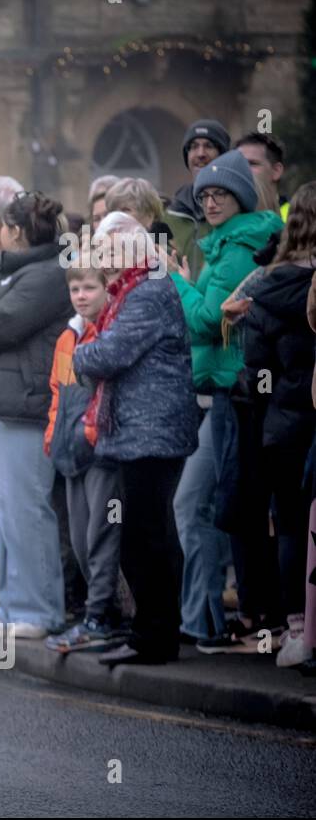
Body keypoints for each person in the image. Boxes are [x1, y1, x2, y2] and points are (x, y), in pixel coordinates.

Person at [73, 212, 198, 665]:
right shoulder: (136, 289)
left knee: (146, 537)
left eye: (108, 251)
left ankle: (155, 637)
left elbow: (111, 352)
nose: (102, 261)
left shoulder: (146, 292)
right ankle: (154, 632)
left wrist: (77, 351)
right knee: (150, 534)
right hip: (142, 431)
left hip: (154, 432)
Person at [171, 150, 284, 652]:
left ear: (240, 196)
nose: (211, 201)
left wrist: (173, 278)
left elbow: (206, 320)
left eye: (221, 193)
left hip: (232, 392)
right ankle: (204, 619)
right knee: (204, 504)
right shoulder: (221, 244)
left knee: (203, 504)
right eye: (205, 195)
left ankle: (210, 621)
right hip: (220, 390)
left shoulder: (239, 246)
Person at [0, 190, 72, 637]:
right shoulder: (14, 271)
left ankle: (38, 609)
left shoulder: (49, 275)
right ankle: (10, 606)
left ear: (15, 231)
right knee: (0, 511)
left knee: (25, 509)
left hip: (26, 407)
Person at [229, 182, 315, 667]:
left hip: (281, 421)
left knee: (290, 525)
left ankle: (296, 631)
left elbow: (255, 360)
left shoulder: (266, 282)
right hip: (304, 417)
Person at [43, 260, 124, 652]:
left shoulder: (108, 332)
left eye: (89, 288)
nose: (81, 296)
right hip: (68, 450)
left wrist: (90, 432)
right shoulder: (67, 338)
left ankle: (101, 615)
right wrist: (52, 435)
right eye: (75, 289)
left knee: (100, 535)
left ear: (107, 290)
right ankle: (97, 610)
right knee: (79, 539)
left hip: (99, 451)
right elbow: (60, 390)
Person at [165, 119, 230, 280]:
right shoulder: (170, 214)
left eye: (209, 146)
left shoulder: (234, 211)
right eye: (194, 147)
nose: (200, 154)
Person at [234, 132, 287, 220]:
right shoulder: (225, 218)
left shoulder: (297, 217)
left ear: (276, 171)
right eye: (239, 164)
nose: (243, 169)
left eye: (252, 163)